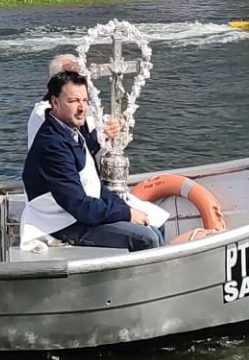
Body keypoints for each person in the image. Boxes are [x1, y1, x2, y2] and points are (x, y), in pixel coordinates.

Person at [20, 70, 160, 252]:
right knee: (146, 238)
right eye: (73, 101)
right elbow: (79, 206)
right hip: (62, 224)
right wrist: (127, 214)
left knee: (152, 225)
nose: (82, 108)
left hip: (80, 214)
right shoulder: (52, 144)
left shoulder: (72, 132)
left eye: (85, 101)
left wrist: (126, 209)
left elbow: (95, 187)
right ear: (55, 102)